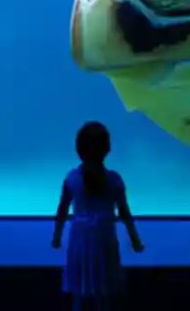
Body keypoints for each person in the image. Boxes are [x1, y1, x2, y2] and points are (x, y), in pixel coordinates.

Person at [52, 121, 144, 311]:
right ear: (107, 149)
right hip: (104, 239)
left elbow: (62, 209)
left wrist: (57, 236)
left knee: (79, 289)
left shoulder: (72, 178)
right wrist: (135, 239)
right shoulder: (114, 179)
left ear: (78, 149)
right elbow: (124, 211)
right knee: (104, 289)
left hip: (80, 239)